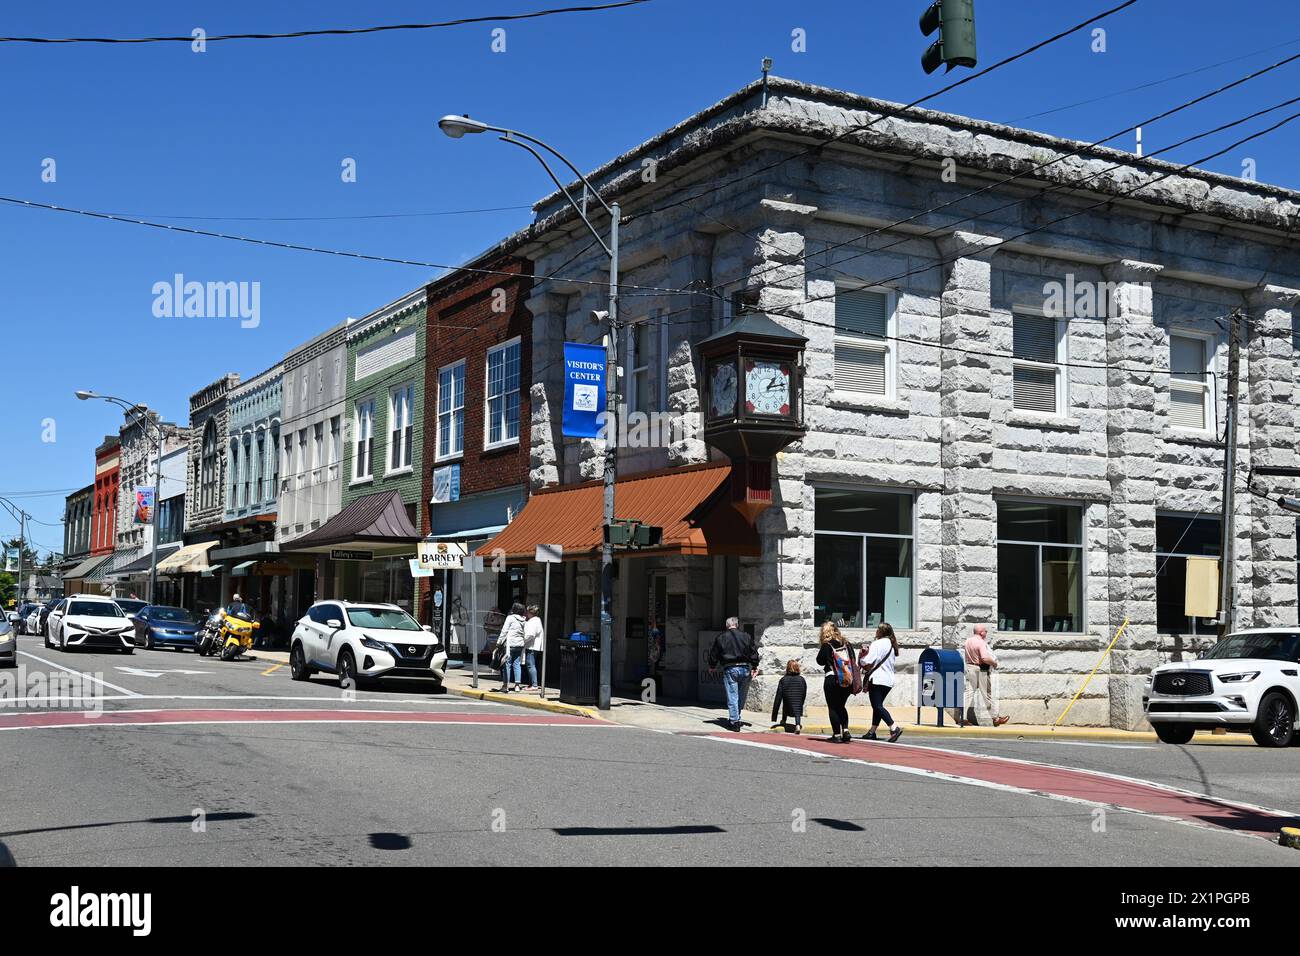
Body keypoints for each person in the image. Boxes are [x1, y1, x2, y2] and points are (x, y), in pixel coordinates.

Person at [706, 616, 759, 731]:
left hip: (730, 669)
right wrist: (754, 666)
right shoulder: (746, 636)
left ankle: (734, 721)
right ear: (737, 625)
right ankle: (736, 718)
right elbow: (753, 652)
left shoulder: (721, 637)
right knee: (740, 696)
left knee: (732, 696)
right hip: (745, 668)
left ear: (727, 625)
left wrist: (712, 666)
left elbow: (714, 653)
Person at [859, 622, 903, 742]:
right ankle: (872, 731)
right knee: (877, 706)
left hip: (877, 679)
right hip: (888, 680)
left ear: (881, 632)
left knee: (877, 706)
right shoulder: (891, 644)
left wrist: (862, 656)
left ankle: (894, 728)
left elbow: (868, 660)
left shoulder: (877, 643)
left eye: (877, 629)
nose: (876, 631)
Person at [815, 621, 856, 743]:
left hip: (832, 678)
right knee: (841, 706)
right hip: (847, 679)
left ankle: (837, 735)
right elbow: (852, 659)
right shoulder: (847, 644)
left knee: (833, 707)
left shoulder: (827, 645)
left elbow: (819, 661)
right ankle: (846, 730)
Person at [961, 623, 1009, 727]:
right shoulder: (981, 642)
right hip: (980, 670)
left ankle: (962, 718)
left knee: (968, 694)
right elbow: (984, 658)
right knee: (987, 696)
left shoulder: (968, 641)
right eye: (985, 631)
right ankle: (995, 719)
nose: (986, 633)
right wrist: (994, 663)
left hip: (970, 668)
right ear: (981, 632)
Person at [495, 602, 528, 693]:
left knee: (507, 665)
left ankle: (506, 686)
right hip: (520, 644)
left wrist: (499, 642)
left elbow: (504, 631)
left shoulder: (510, 618)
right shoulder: (524, 620)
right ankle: (517, 686)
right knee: (517, 664)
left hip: (510, 644)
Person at [770, 660, 807, 734]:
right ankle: (797, 725)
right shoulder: (801, 679)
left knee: (785, 704)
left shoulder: (783, 680)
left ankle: (783, 720)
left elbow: (778, 696)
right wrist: (801, 702)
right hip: (798, 700)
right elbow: (804, 692)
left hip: (787, 699)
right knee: (797, 711)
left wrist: (774, 716)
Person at [522, 604, 544, 692]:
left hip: (532, 646)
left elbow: (530, 634)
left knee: (531, 665)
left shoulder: (534, 621)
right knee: (531, 665)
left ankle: (534, 684)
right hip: (533, 646)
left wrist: (522, 641)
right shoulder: (535, 620)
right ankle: (532, 684)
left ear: (530, 612)